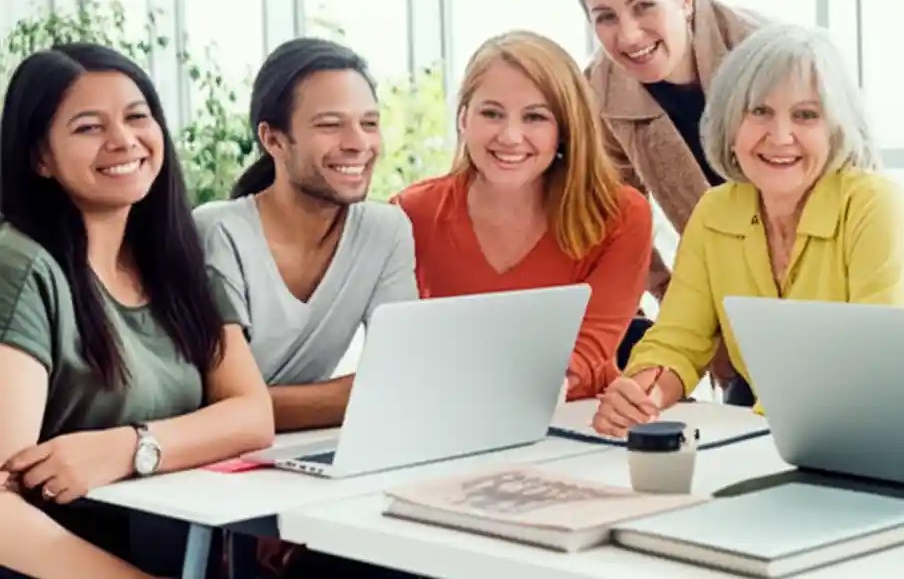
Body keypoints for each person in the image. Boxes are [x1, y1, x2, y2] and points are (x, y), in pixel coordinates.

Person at [570, 0, 904, 402]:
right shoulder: (604, 94)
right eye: (605, 17)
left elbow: (854, 160)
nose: (628, 34)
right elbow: (625, 220)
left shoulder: (767, 50)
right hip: (744, 281)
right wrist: (674, 343)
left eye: (643, 7)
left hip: (858, 277)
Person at [0, 44, 274, 578]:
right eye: (87, 127)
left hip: (171, 548)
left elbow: (252, 414)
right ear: (39, 156)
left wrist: (131, 448)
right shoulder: (21, 265)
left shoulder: (179, 262)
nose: (123, 140)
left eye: (136, 117)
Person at [591, 24, 904, 437]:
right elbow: (677, 341)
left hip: (893, 438)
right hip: (786, 445)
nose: (779, 137)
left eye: (805, 115)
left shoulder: (874, 204)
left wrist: (755, 425)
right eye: (759, 111)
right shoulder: (715, 212)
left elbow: (875, 365)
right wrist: (641, 392)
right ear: (730, 121)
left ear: (835, 128)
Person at [393, 30, 651, 401]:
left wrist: (515, 401)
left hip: (580, 422)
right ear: (464, 118)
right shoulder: (410, 213)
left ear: (565, 129)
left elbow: (590, 348)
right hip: (450, 415)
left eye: (535, 117)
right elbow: (401, 346)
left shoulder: (620, 214)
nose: (511, 136)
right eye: (492, 113)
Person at [195, 37, 417, 432]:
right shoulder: (219, 232)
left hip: (299, 448)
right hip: (210, 460)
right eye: (330, 125)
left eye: (369, 123)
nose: (358, 143)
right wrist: (366, 394)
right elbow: (222, 403)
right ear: (273, 140)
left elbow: (402, 378)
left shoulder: (387, 231)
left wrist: (380, 392)